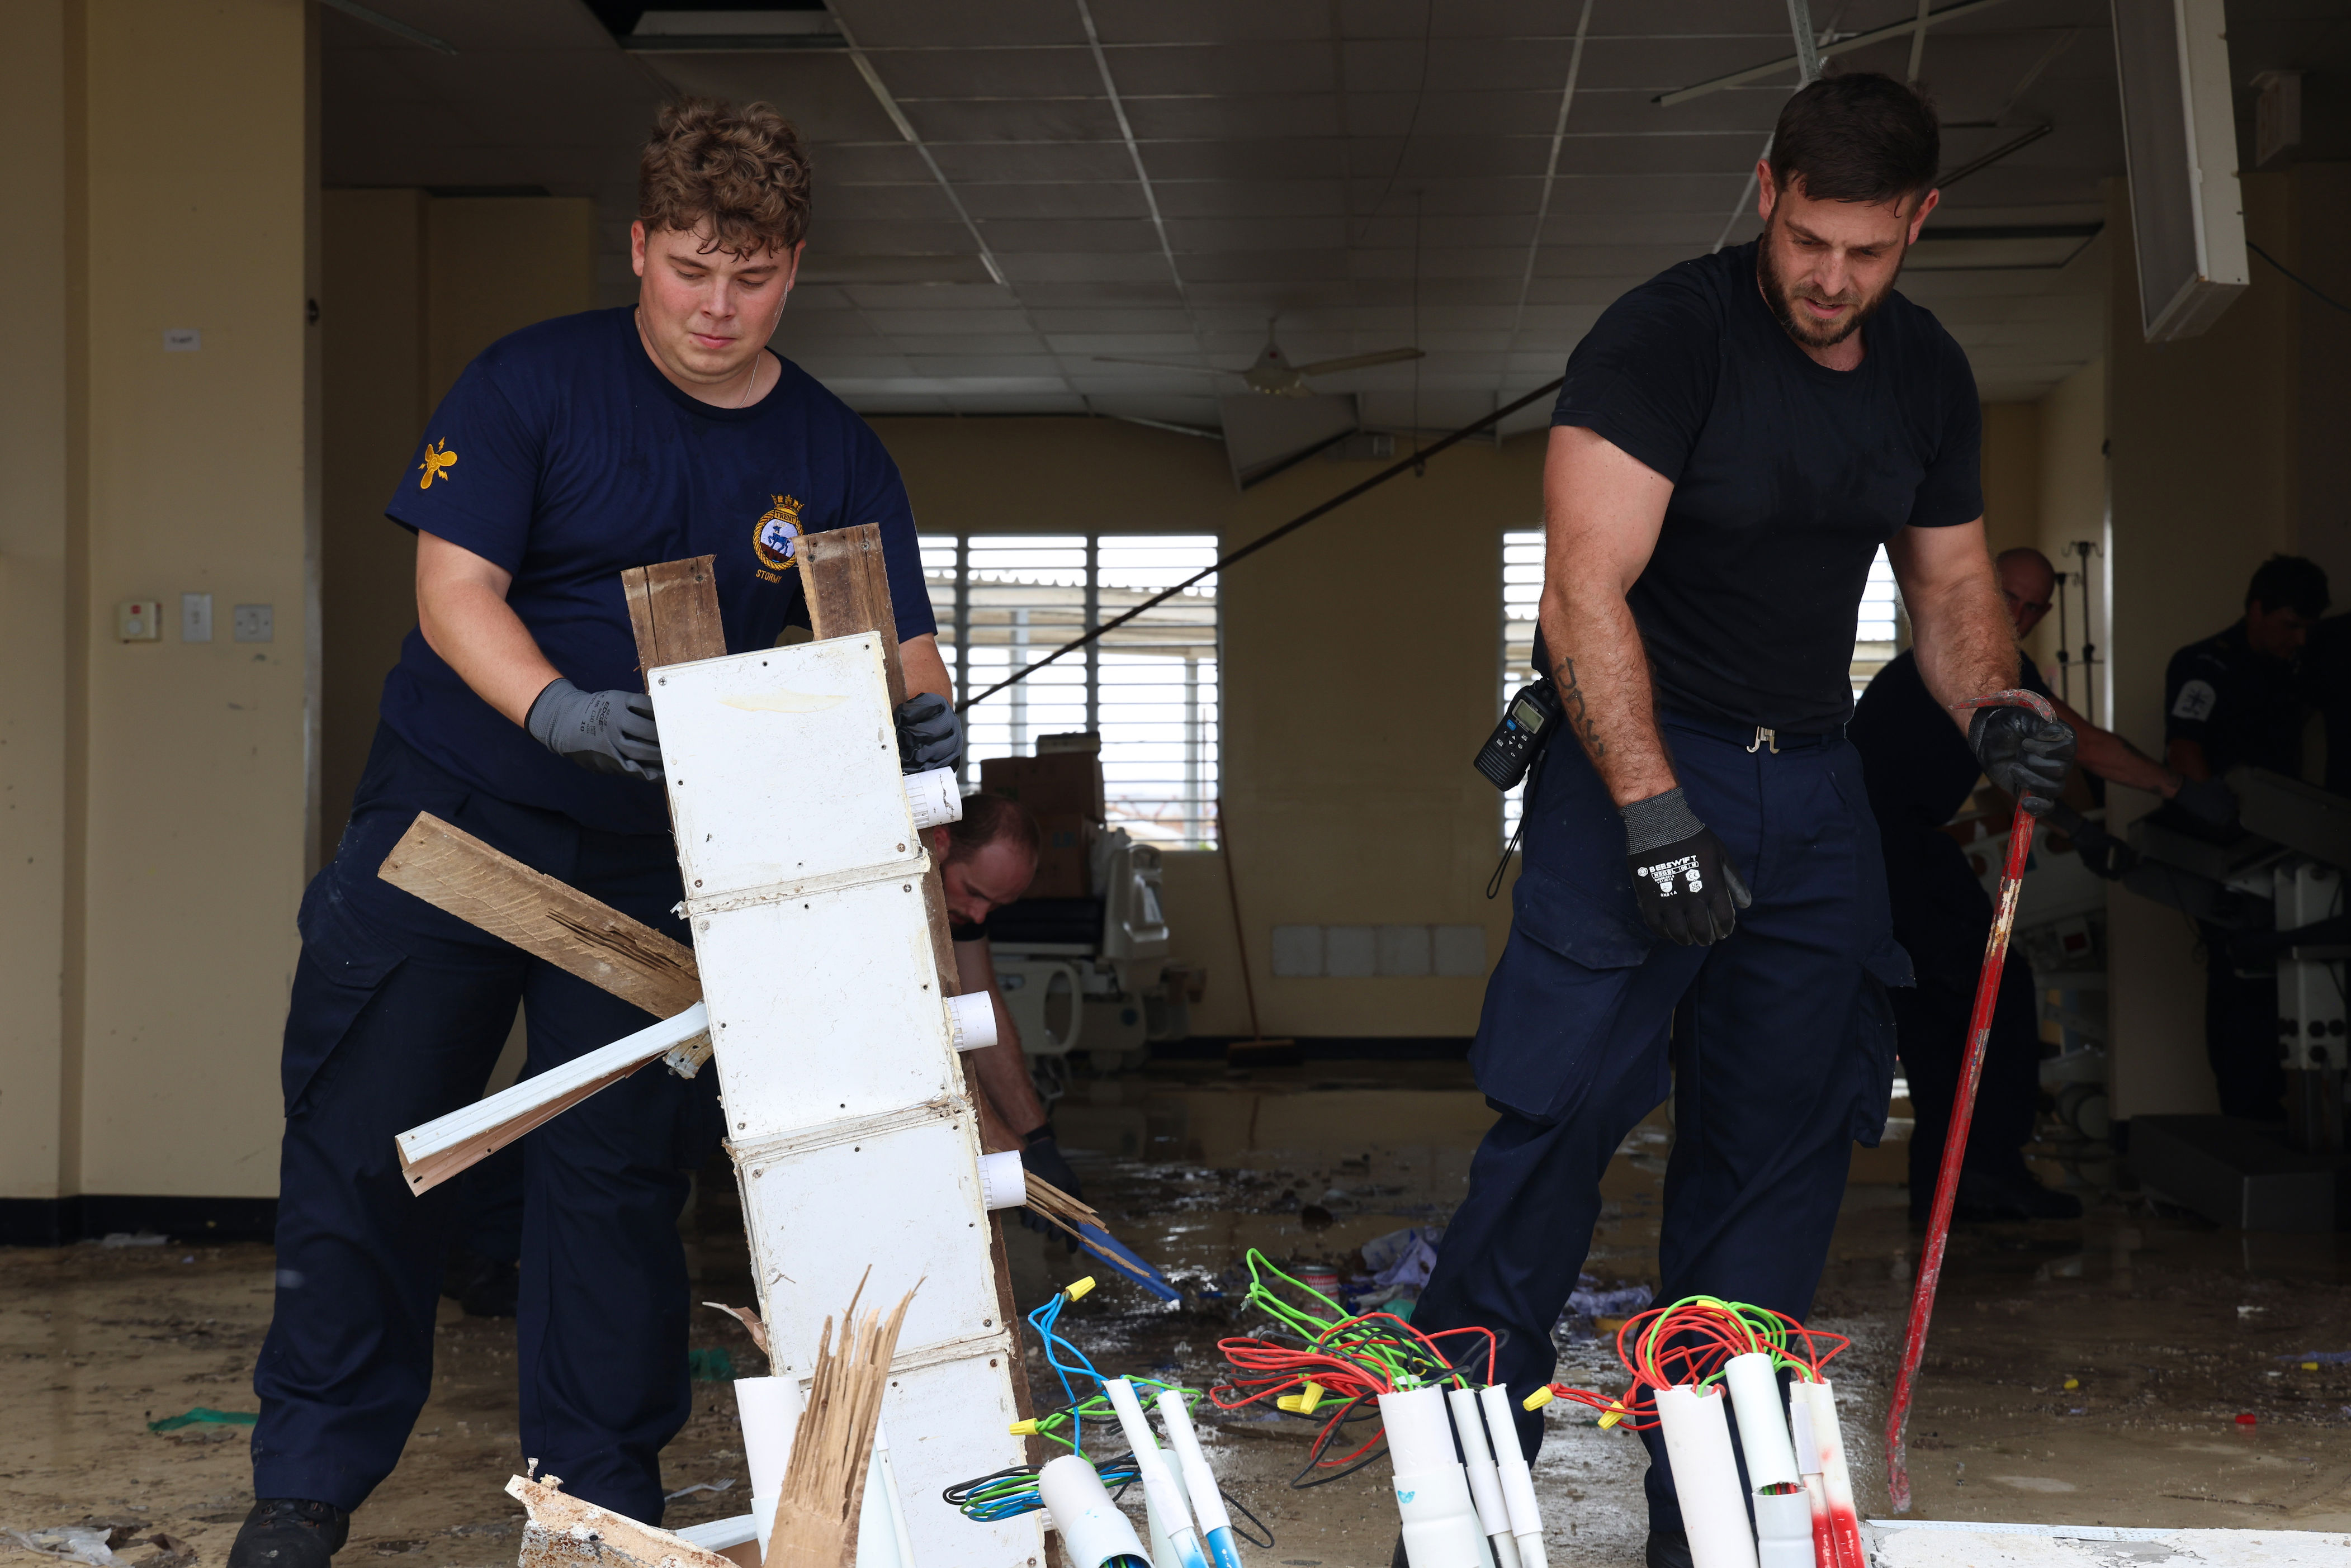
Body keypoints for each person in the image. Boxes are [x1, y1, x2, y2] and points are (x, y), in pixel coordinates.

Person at [236, 99, 1012, 1568]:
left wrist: (923, 721)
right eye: (692, 269)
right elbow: (455, 589)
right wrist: (552, 711)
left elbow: (893, 637)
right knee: (369, 1145)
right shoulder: (531, 384)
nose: (720, 309)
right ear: (642, 245)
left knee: (613, 1176)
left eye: (757, 274)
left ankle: (598, 1504)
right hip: (458, 823)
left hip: (664, 853)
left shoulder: (826, 448)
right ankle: (304, 1490)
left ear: (796, 268)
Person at [1412, 74, 2075, 1568]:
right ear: (1763, 189)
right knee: (1554, 1131)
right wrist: (1650, 811)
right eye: (1806, 238)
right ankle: (1447, 1521)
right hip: (1629, 758)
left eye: (1865, 249)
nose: (1828, 278)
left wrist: (1994, 712)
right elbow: (1580, 594)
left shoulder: (1921, 372)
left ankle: (1706, 1537)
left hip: (1811, 784)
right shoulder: (1663, 340)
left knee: (1774, 1166)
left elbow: (1953, 591)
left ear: (1915, 224)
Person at [1851, 547, 2177, 1221]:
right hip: (1880, 846)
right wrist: (2176, 788)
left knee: (1943, 1022)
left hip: (1884, 849)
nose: (2017, 616)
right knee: (1997, 996)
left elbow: (2010, 761)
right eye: (2008, 598)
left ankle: (1946, 1194)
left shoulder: (1973, 659)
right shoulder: (1973, 655)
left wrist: (2078, 829)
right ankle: (1989, 1175)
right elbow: (2080, 743)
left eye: (2032, 607)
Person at [2161, 553, 2330, 1119]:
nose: (2297, 638)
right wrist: (2224, 827)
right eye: (2288, 625)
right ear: (2255, 611)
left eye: (2306, 627)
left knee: (2298, 981)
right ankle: (2246, 1117)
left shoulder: (2299, 668)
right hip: (2232, 855)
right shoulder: (2206, 665)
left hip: (2294, 849)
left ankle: (2284, 1113)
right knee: (2241, 989)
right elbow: (2184, 751)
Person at [930, 793, 1087, 1239]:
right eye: (975, 893)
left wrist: (1038, 1138)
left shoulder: (962, 904)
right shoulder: (895, 889)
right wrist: (1018, 1166)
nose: (978, 914)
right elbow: (928, 1068)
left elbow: (981, 1009)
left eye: (995, 907)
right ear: (940, 843)